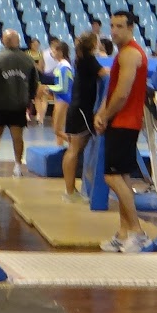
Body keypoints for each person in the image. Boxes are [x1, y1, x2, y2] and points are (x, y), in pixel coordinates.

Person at [95, 9, 151, 253]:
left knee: (112, 177)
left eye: (119, 26)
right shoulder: (124, 54)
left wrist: (105, 116)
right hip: (121, 121)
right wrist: (101, 113)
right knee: (123, 178)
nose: (114, 30)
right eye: (112, 25)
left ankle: (137, 232)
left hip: (124, 123)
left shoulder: (130, 54)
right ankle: (123, 232)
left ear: (130, 28)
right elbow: (114, 91)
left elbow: (122, 93)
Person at [0, 29, 38, 178]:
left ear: (3, 41)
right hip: (19, 105)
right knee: (17, 137)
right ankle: (18, 167)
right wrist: (29, 99)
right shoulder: (28, 60)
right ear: (18, 41)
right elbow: (34, 83)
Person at [61, 33, 102, 202]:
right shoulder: (89, 60)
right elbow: (104, 73)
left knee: (75, 148)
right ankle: (70, 192)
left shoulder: (81, 59)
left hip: (77, 108)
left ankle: (71, 191)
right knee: (74, 149)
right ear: (93, 44)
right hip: (81, 110)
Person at [47, 38, 74, 150]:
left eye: (54, 51)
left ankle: (75, 144)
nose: (52, 53)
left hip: (64, 99)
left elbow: (63, 88)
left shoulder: (64, 66)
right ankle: (60, 149)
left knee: (57, 129)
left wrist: (47, 88)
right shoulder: (60, 65)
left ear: (60, 52)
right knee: (58, 129)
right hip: (59, 99)